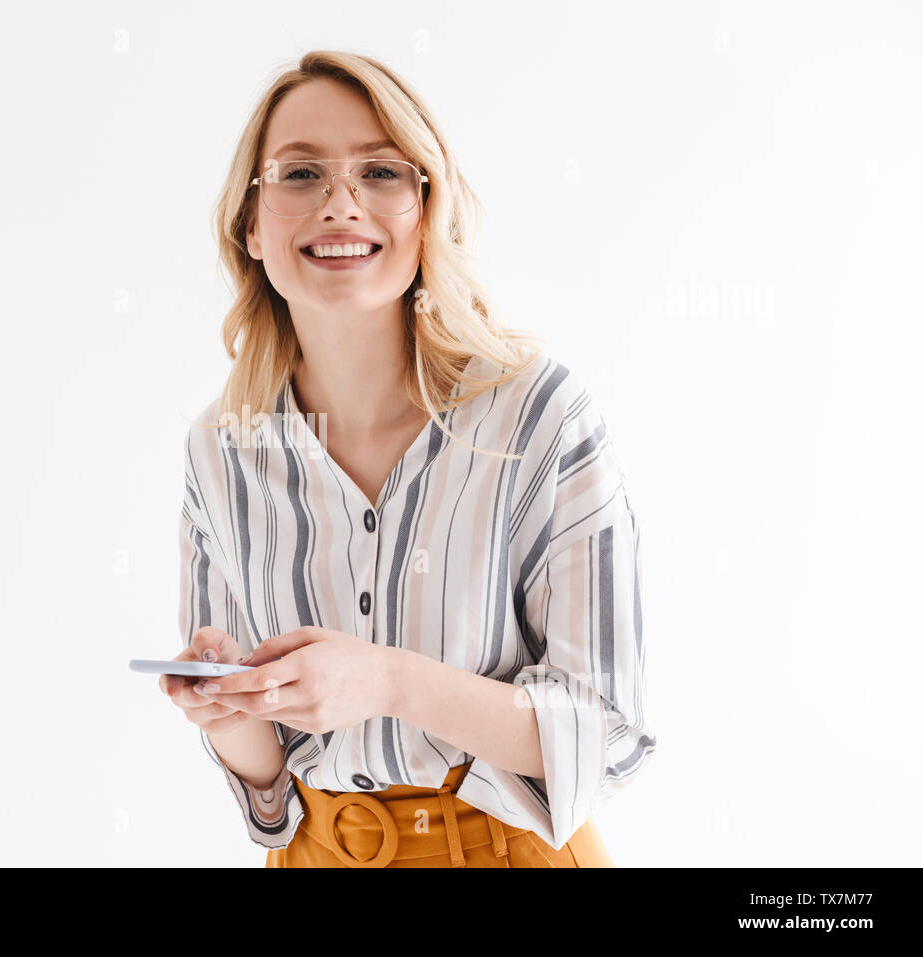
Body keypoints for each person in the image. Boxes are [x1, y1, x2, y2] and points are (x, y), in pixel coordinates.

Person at [160, 50, 655, 868]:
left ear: (426, 209)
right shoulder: (221, 450)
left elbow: (605, 735)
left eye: (381, 172)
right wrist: (227, 709)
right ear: (251, 223)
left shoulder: (540, 419)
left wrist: (388, 681)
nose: (341, 203)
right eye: (300, 174)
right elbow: (268, 782)